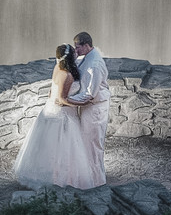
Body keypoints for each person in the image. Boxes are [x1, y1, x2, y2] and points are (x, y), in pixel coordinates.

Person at [13, 43, 98, 189]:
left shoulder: (58, 67)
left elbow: (51, 93)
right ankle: (61, 179)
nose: (77, 53)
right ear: (70, 57)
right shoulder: (68, 75)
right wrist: (82, 104)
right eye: (74, 52)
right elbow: (62, 99)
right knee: (64, 148)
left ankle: (51, 175)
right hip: (62, 115)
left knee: (50, 147)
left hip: (49, 110)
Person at [60, 31, 109, 186]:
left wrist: (66, 101)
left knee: (93, 144)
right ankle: (88, 178)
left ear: (86, 45)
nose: (76, 50)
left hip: (95, 109)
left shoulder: (94, 65)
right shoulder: (87, 57)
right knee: (87, 143)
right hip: (89, 108)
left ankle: (97, 182)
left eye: (78, 47)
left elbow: (90, 94)